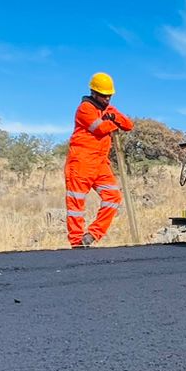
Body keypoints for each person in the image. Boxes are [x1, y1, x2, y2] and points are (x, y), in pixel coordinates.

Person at [65, 72, 134, 248]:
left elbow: (128, 124)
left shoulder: (109, 109)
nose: (107, 99)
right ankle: (77, 243)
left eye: (109, 95)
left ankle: (93, 234)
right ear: (94, 92)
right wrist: (113, 122)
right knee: (76, 205)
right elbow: (100, 128)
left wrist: (114, 117)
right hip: (81, 162)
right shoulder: (85, 109)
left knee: (113, 196)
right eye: (104, 95)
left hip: (101, 164)